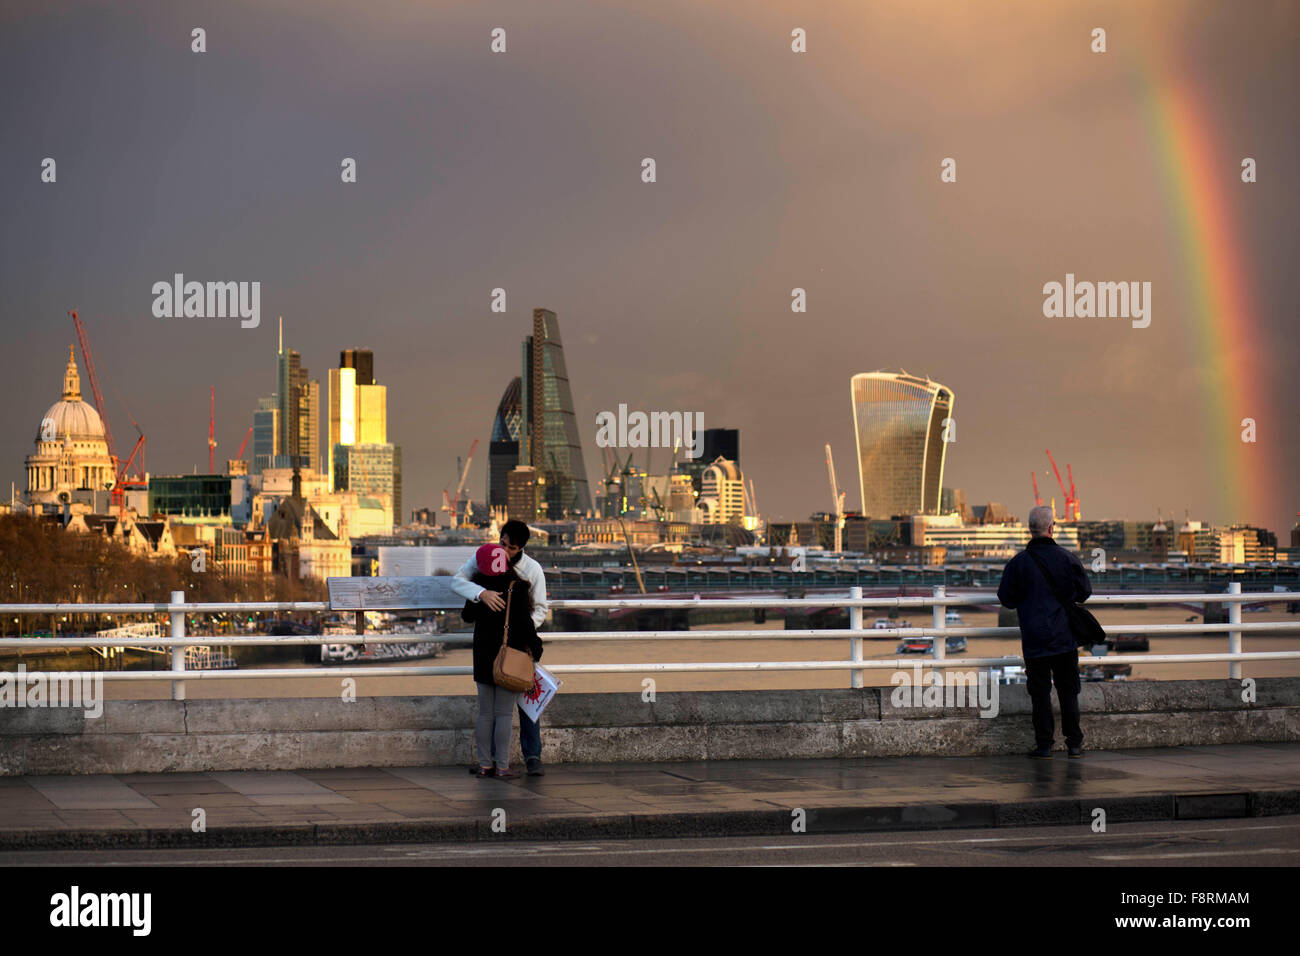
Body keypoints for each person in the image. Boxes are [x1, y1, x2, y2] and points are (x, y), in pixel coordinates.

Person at [450, 519, 550, 774]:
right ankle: (504, 766)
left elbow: (467, 615)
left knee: (488, 713)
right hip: (513, 651)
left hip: (485, 652)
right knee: (506, 713)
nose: (503, 551)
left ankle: (491, 763)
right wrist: (481, 593)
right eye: (501, 544)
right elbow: (530, 620)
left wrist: (479, 592)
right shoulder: (517, 587)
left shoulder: (530, 570)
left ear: (521, 548)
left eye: (511, 547)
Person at [996, 505, 1092, 759]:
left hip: (1034, 639)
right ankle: (1074, 743)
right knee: (1068, 691)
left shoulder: (1018, 563)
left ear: (1030, 529)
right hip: (1064, 638)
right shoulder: (1068, 558)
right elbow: (1085, 592)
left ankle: (1044, 745)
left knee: (1039, 694)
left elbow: (1006, 598)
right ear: (1051, 528)